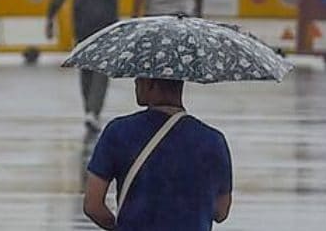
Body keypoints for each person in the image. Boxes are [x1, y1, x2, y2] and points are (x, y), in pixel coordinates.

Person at [83, 77, 232, 231]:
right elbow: (221, 211)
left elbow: (92, 205)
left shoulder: (118, 132)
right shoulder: (213, 141)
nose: (135, 82)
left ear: (150, 83)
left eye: (139, 77)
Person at [47, 0, 133, 132]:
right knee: (103, 64)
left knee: (85, 62)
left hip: (82, 14)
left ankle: (88, 109)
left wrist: (51, 15)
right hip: (107, 15)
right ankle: (94, 111)